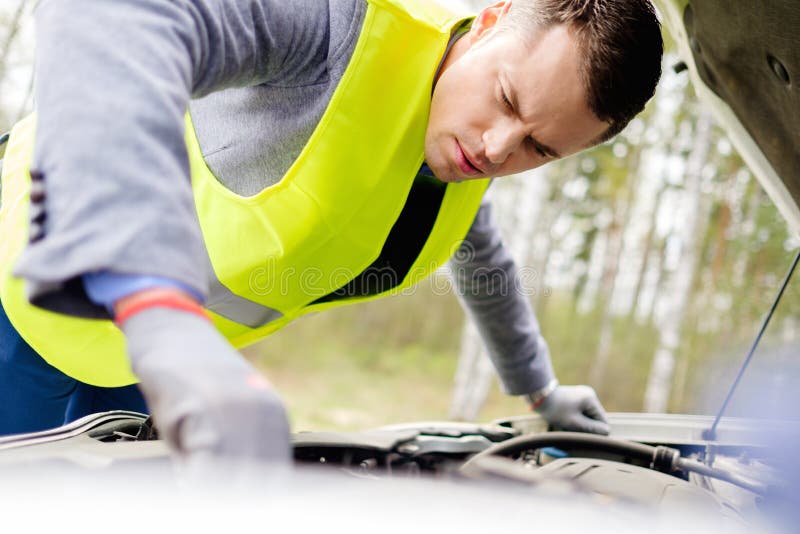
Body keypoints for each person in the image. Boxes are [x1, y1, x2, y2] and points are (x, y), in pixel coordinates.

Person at [0, 0, 663, 462]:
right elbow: (110, 14)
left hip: (132, 364)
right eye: (509, 99)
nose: (496, 149)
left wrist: (540, 388)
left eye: (539, 149)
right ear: (489, 23)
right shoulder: (338, 27)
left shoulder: (460, 159)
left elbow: (483, 259)